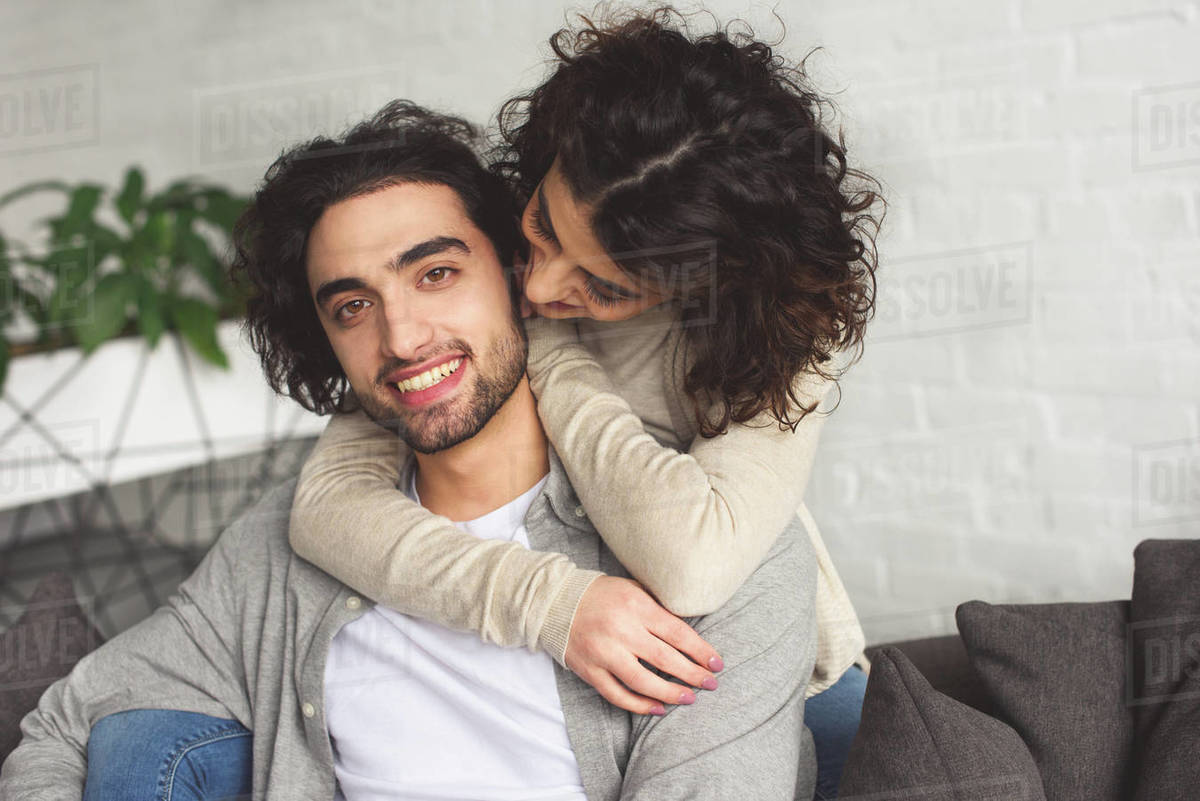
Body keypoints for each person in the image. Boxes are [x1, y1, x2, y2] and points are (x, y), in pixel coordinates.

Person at [0, 100, 819, 801]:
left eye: (435, 274)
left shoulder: (714, 557)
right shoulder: (277, 556)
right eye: (352, 306)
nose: (401, 337)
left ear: (515, 276)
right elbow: (62, 726)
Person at [287, 9, 882, 796]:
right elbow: (327, 505)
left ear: (699, 285)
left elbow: (694, 562)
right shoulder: (479, 250)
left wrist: (545, 350)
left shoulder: (780, 335)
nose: (537, 285)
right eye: (542, 227)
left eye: (602, 285)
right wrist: (554, 604)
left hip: (772, 677)